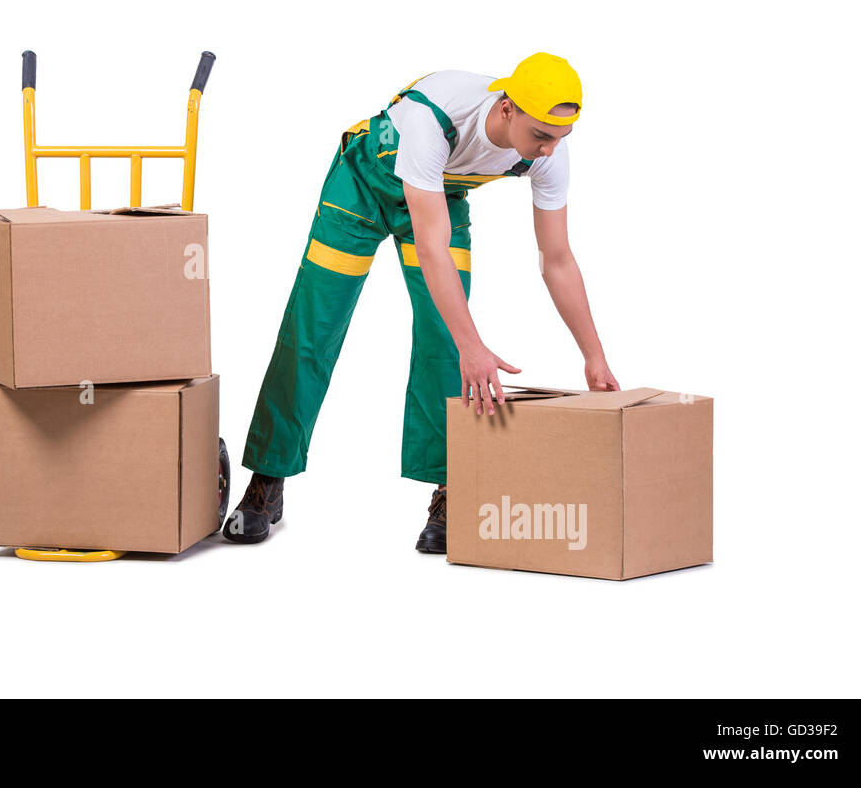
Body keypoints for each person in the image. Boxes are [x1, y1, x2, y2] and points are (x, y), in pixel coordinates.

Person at [223, 53, 620, 551]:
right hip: (361, 188)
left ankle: (448, 491)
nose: (548, 149)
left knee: (445, 344)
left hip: (438, 200)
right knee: (313, 326)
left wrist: (594, 355)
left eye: (560, 138)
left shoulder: (549, 151)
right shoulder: (435, 116)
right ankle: (267, 479)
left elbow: (557, 259)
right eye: (541, 134)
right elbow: (434, 249)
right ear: (506, 109)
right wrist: (474, 344)